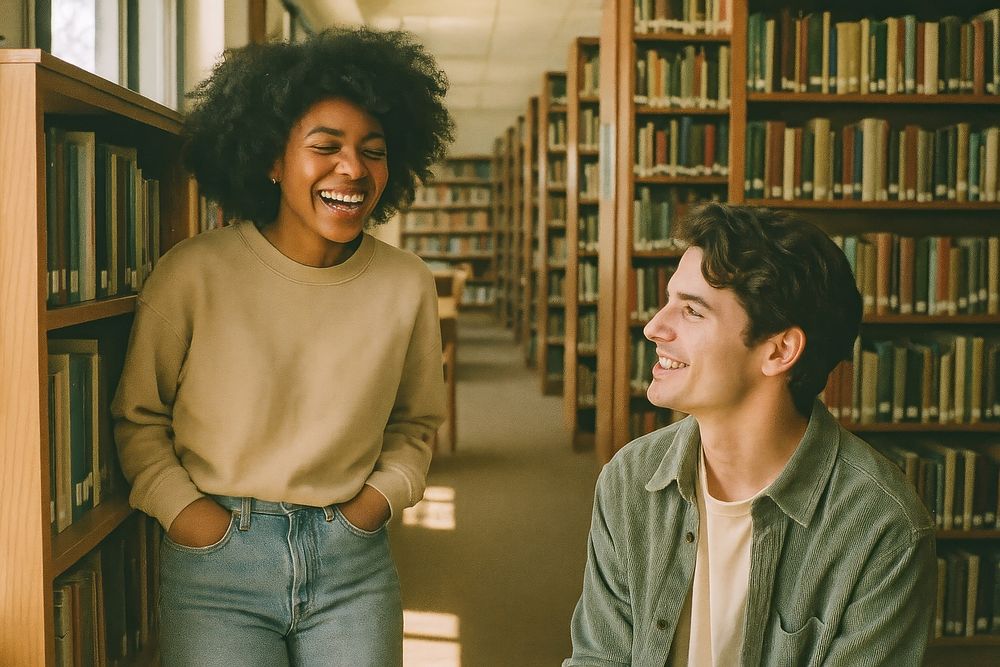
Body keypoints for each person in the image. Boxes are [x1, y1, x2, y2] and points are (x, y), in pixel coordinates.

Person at [111, 27, 453, 666]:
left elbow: (416, 424)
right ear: (271, 158)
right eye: (325, 147)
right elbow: (140, 418)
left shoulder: (407, 284)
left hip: (352, 561)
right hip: (218, 562)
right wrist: (189, 517)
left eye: (373, 152)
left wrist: (374, 504)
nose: (352, 169)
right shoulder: (192, 273)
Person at [564, 203, 936, 666]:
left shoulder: (883, 526)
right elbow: (600, 659)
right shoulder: (629, 479)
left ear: (779, 350)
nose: (654, 326)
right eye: (667, 301)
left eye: (692, 312)